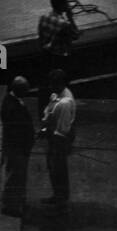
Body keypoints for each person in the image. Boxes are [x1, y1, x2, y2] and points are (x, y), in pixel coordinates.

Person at [41, 68, 77, 212]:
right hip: (53, 135)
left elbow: (62, 129)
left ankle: (61, 203)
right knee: (53, 168)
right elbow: (49, 111)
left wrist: (49, 135)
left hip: (59, 140)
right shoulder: (57, 95)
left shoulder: (65, 103)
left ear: (60, 84)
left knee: (59, 170)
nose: (50, 86)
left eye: (53, 84)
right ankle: (57, 196)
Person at [0, 76, 35, 217]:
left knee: (17, 175)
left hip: (17, 146)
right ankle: (10, 206)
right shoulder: (13, 107)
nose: (27, 92)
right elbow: (17, 131)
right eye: (25, 90)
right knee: (15, 176)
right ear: (19, 90)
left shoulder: (11, 100)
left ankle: (16, 201)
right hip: (17, 147)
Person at [38, 0, 80, 79]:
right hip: (60, 59)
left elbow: (41, 37)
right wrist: (70, 17)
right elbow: (76, 35)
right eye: (67, 2)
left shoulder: (43, 17)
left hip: (46, 56)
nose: (69, 5)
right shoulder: (64, 24)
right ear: (62, 5)